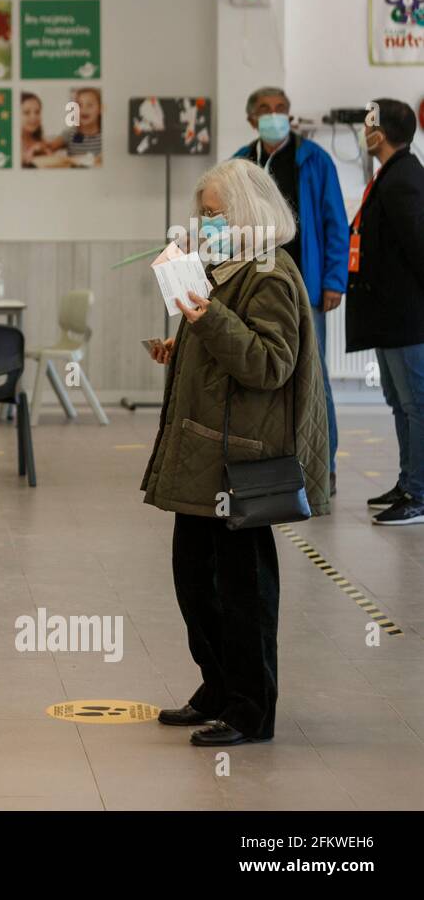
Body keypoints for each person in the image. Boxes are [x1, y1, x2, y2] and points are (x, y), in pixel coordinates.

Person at [143, 159, 329, 747]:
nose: (204, 223)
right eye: (201, 213)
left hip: (241, 461)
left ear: (247, 214)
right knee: (195, 581)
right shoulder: (228, 269)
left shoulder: (270, 274)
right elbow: (229, 346)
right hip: (205, 453)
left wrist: (209, 318)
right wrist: (185, 340)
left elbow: (269, 364)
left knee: (241, 589)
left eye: (214, 213)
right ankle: (218, 685)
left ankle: (251, 707)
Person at [233, 86, 349, 494]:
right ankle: (269, 466)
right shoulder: (241, 164)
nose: (274, 114)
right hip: (253, 286)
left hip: (308, 287)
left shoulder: (315, 160)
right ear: (251, 119)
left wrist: (336, 280)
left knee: (314, 377)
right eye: (265, 109)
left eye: (281, 108)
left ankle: (324, 465)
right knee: (262, 377)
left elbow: (337, 223)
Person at [346, 99, 424, 526]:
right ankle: (408, 480)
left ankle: (420, 494)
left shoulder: (404, 181)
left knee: (417, 405)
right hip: (389, 317)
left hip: (407, 317)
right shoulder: (390, 177)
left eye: (368, 124)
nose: (363, 130)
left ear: (383, 132)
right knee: (400, 403)